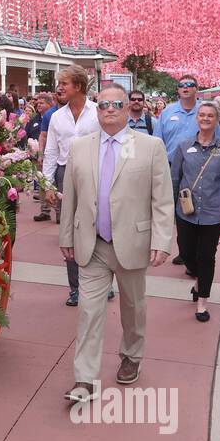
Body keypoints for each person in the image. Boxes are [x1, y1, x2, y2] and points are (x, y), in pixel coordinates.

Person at [59, 83, 175, 402]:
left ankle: (131, 356)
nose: (109, 110)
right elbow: (70, 197)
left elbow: (162, 200)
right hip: (91, 244)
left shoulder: (150, 146)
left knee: (133, 308)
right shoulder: (79, 147)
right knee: (88, 312)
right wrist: (66, 235)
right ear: (97, 111)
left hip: (133, 243)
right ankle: (84, 380)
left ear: (128, 109)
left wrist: (163, 240)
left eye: (116, 105)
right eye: (103, 105)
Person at [170, 103, 220, 322]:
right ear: (196, 119)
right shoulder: (183, 146)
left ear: (217, 119)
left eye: (210, 115)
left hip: (214, 211)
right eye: (202, 115)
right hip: (186, 211)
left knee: (207, 256)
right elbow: (174, 179)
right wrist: (168, 210)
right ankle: (198, 279)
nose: (206, 118)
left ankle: (202, 302)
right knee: (187, 253)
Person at [38, 65, 99, 305]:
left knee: (99, 228)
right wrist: (48, 184)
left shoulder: (97, 112)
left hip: (95, 173)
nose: (59, 87)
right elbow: (51, 151)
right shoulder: (55, 116)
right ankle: (75, 288)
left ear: (79, 86)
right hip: (65, 175)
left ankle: (101, 283)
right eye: (59, 83)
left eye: (64, 83)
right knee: (70, 233)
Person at [154, 74, 220, 160]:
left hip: (200, 166)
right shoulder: (166, 113)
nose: (185, 87)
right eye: (181, 85)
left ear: (196, 89)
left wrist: (216, 162)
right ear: (178, 90)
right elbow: (157, 142)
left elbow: (218, 142)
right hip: (171, 165)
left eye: (189, 85)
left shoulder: (207, 112)